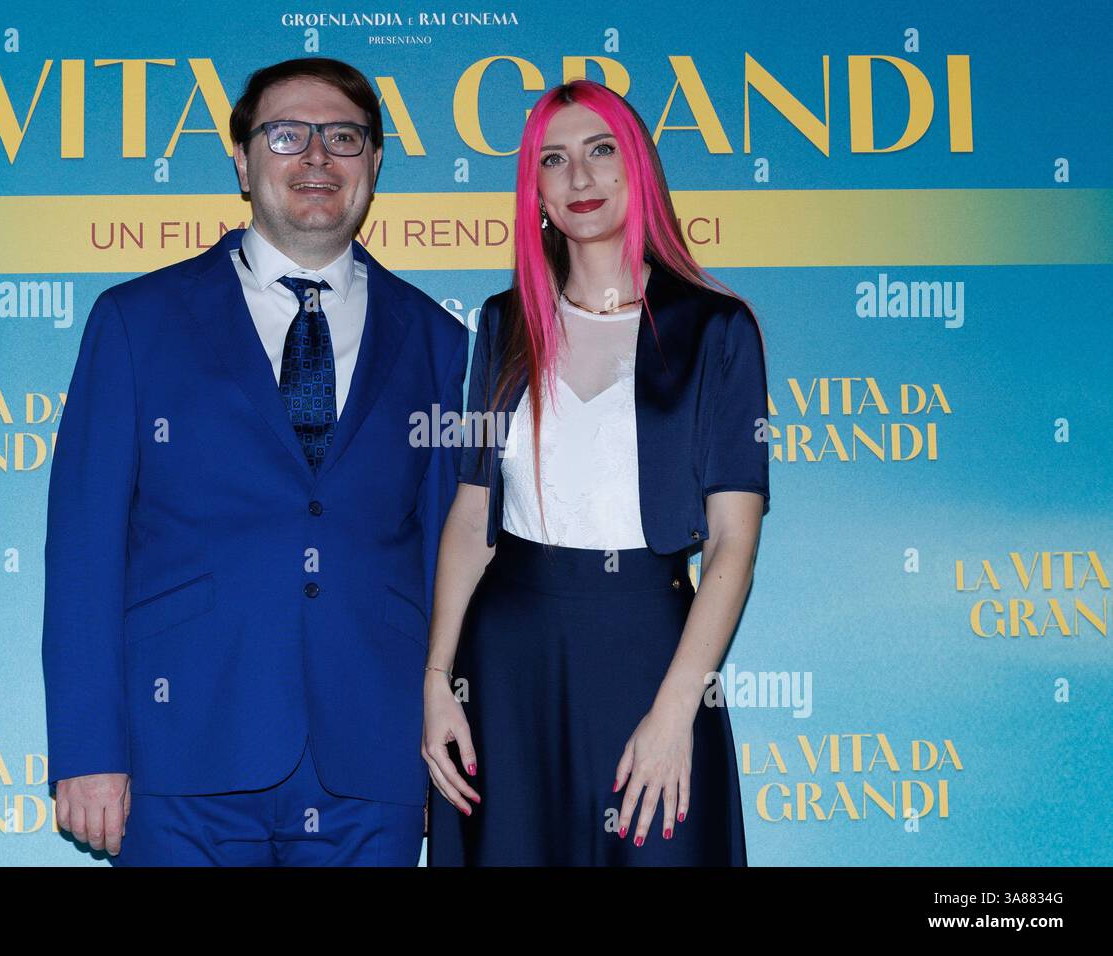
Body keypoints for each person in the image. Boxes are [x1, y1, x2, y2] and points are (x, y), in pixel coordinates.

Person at [41, 57, 468, 866]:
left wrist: (442, 735)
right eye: (286, 135)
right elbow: (85, 550)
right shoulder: (136, 321)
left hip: (371, 761)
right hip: (181, 752)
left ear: (374, 165)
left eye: (344, 138)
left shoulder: (440, 344)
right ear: (242, 162)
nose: (316, 157)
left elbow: (449, 556)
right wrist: (89, 748)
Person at [423, 79, 770, 866]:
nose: (579, 178)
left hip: (651, 655)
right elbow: (473, 519)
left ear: (638, 168)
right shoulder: (504, 323)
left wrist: (676, 709)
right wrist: (438, 680)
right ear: (535, 191)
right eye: (554, 160)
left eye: (600, 151)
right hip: (507, 667)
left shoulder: (716, 330)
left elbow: (732, 544)